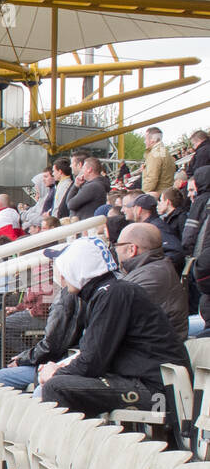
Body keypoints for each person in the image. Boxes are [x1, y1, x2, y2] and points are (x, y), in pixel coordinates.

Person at [38, 236, 190, 417]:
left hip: (157, 391)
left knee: (57, 386)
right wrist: (58, 369)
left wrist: (56, 371)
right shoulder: (108, 292)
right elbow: (91, 355)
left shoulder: (113, 294)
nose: (61, 277)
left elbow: (92, 363)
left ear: (79, 268)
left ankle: (75, 446)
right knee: (54, 380)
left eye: (64, 268)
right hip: (141, 382)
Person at [118, 221, 188, 339]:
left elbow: (114, 321)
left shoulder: (147, 279)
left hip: (158, 353)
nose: (115, 250)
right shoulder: (157, 267)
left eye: (117, 245)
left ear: (131, 249)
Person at [142, 127, 176, 195]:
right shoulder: (165, 152)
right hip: (165, 193)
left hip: (156, 195)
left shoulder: (155, 154)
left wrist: (143, 194)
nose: (144, 141)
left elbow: (152, 179)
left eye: (146, 139)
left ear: (152, 140)